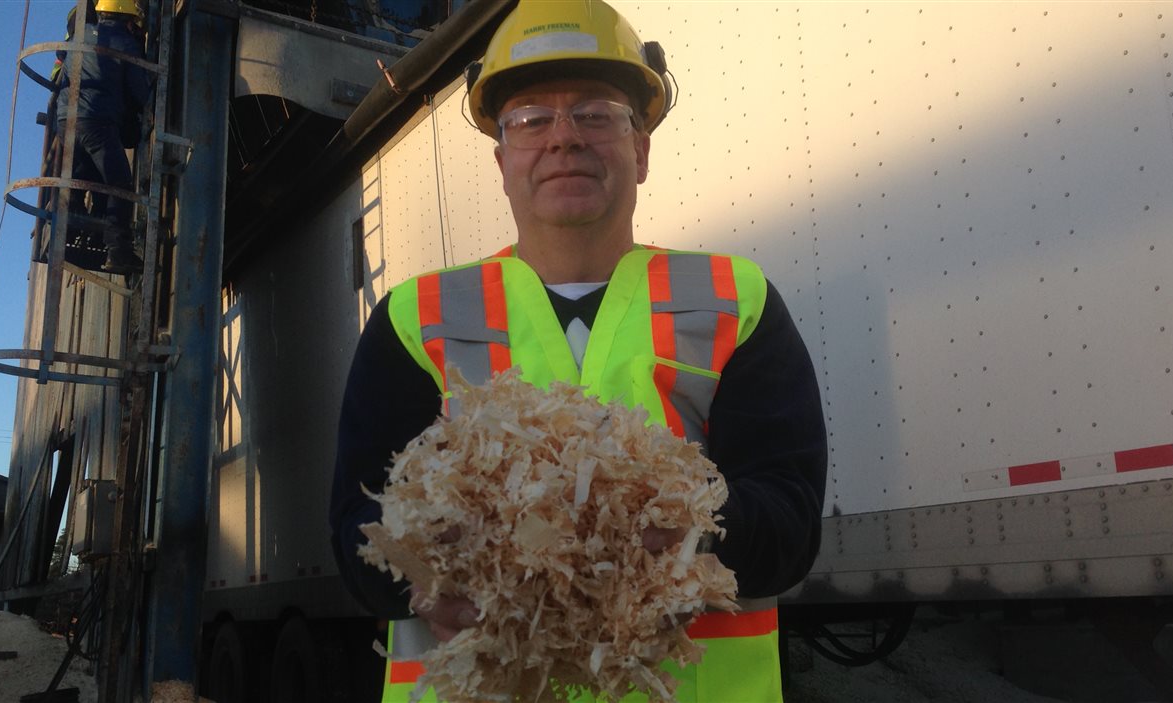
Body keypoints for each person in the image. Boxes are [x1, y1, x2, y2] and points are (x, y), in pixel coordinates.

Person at [329, 1, 827, 701]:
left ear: (641, 149)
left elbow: (792, 521)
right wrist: (422, 574)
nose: (565, 138)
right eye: (532, 119)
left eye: (597, 113)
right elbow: (356, 526)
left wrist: (693, 528)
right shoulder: (415, 321)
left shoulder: (733, 301)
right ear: (503, 160)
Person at [54, 0, 152, 275]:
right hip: (97, 122)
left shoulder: (80, 33)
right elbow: (140, 93)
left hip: (66, 121)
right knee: (118, 183)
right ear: (128, 20)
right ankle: (118, 251)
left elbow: (63, 60)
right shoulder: (124, 42)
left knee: (79, 177)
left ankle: (67, 234)